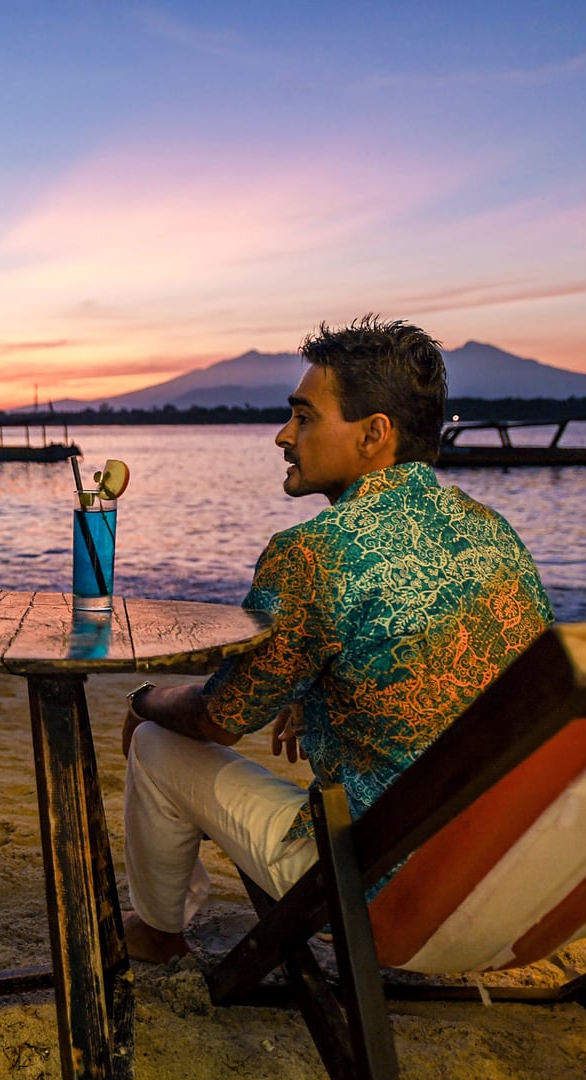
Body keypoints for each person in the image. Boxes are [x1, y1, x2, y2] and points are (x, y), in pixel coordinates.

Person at [120, 316, 553, 963]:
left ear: (374, 434)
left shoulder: (314, 554)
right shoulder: (492, 532)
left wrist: (144, 698)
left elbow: (218, 719)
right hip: (514, 879)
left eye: (304, 417)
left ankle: (158, 932)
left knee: (155, 743)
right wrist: (315, 687)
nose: (283, 436)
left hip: (392, 892)